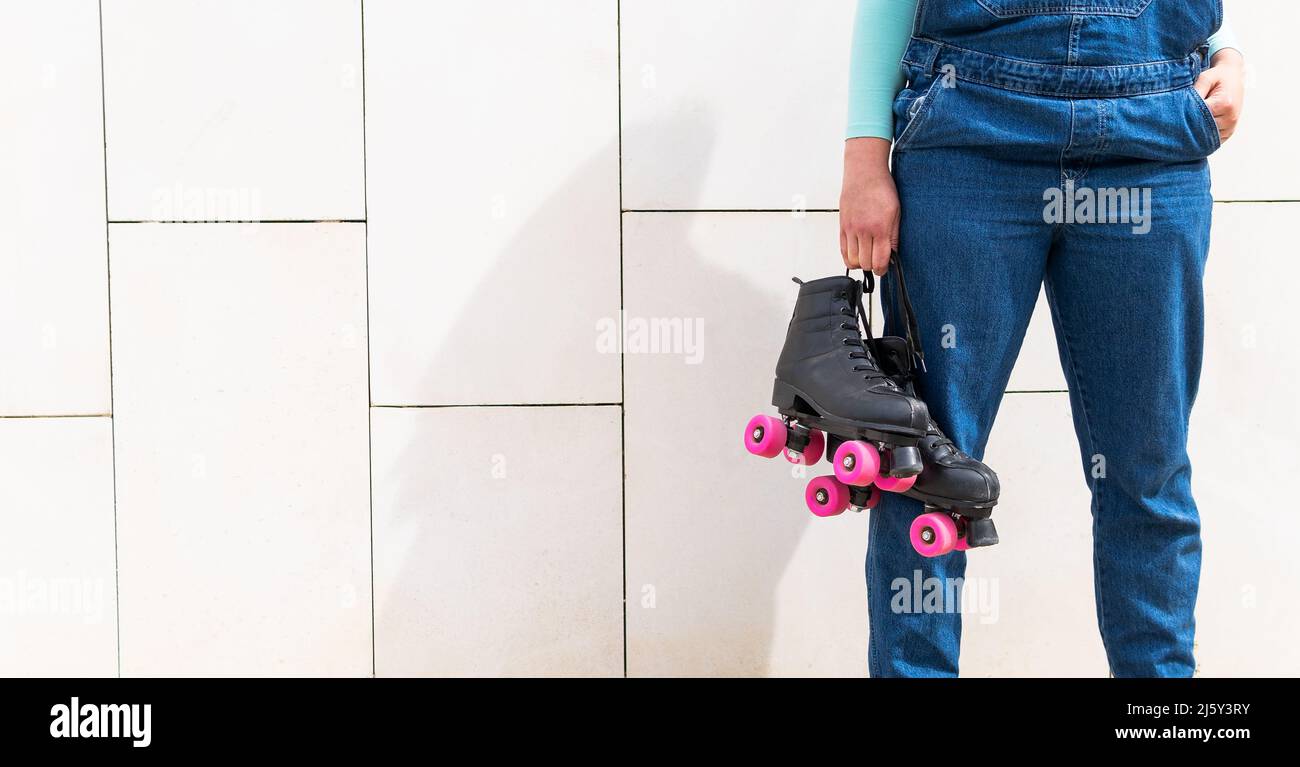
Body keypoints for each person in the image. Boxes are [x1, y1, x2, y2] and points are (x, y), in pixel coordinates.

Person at [840, 0, 1245, 677]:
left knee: (1148, 474)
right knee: (925, 468)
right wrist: (863, 153)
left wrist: (1231, 54)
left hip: (1150, 133)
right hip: (971, 133)